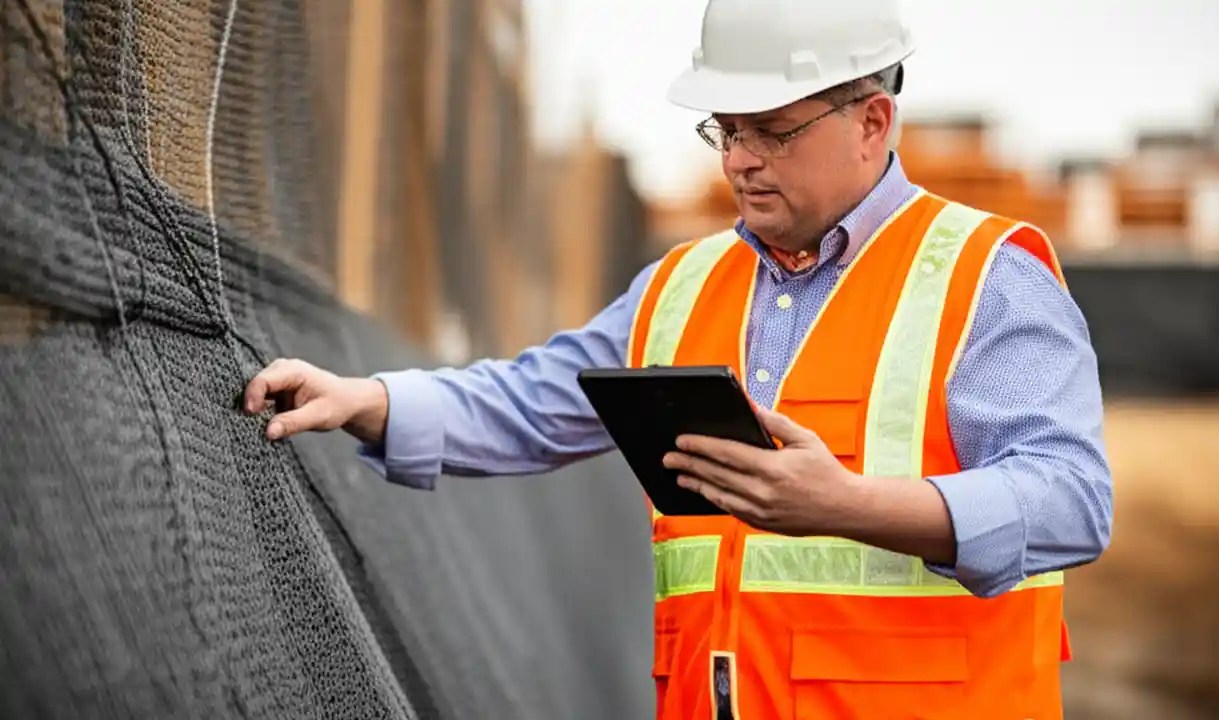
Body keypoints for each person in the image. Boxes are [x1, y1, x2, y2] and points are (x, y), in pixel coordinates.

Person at [244, 0, 1114, 717]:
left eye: (771, 131)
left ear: (872, 122)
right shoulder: (681, 286)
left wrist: (849, 504)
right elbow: (533, 401)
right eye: (724, 131)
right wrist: (369, 401)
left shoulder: (985, 276)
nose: (739, 161)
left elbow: (1070, 501)